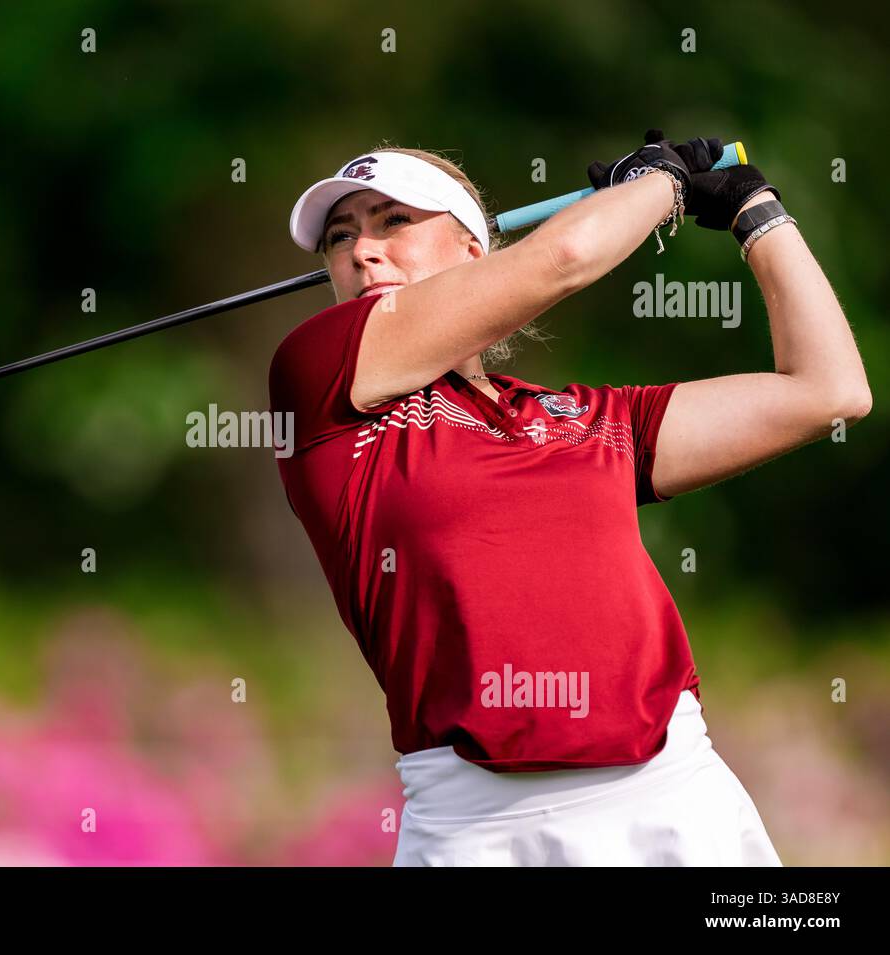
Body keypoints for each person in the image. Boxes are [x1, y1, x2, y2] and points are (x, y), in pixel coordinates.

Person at [268, 133, 873, 866]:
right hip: (476, 829)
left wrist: (757, 213)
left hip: (675, 800)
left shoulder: (594, 420)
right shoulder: (320, 382)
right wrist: (660, 184)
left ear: (472, 253)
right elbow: (562, 258)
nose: (363, 250)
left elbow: (829, 392)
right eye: (340, 236)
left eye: (393, 222)